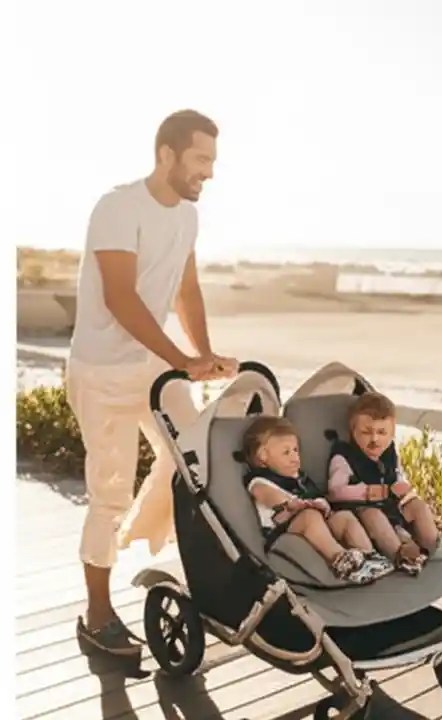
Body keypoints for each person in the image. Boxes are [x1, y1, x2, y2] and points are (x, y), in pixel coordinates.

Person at [69, 109, 239, 656]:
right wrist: (181, 359)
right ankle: (97, 617)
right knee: (108, 493)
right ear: (166, 154)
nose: (208, 171)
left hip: (152, 368)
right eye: (200, 158)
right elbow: (121, 297)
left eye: (212, 159)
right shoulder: (118, 207)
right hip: (101, 372)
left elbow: (186, 290)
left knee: (197, 460)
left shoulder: (186, 217)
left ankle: (162, 546)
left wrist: (203, 352)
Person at [242, 416, 392, 583]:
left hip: (316, 520)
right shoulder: (260, 480)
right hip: (283, 529)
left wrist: (321, 505)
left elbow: (316, 497)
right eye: (286, 452)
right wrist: (290, 503)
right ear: (263, 455)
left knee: (343, 517)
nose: (294, 457)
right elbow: (268, 496)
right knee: (309, 517)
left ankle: (368, 556)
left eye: (295, 450)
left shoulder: (300, 477)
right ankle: (340, 558)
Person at [327, 392, 438, 575]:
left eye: (382, 432)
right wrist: (370, 492)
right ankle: (400, 556)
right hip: (359, 510)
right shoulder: (343, 456)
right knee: (374, 515)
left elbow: (397, 477)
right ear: (352, 432)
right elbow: (335, 491)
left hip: (390, 508)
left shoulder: (389, 454)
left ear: (392, 433)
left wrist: (403, 490)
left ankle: (429, 550)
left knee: (418, 507)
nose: (374, 439)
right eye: (366, 432)